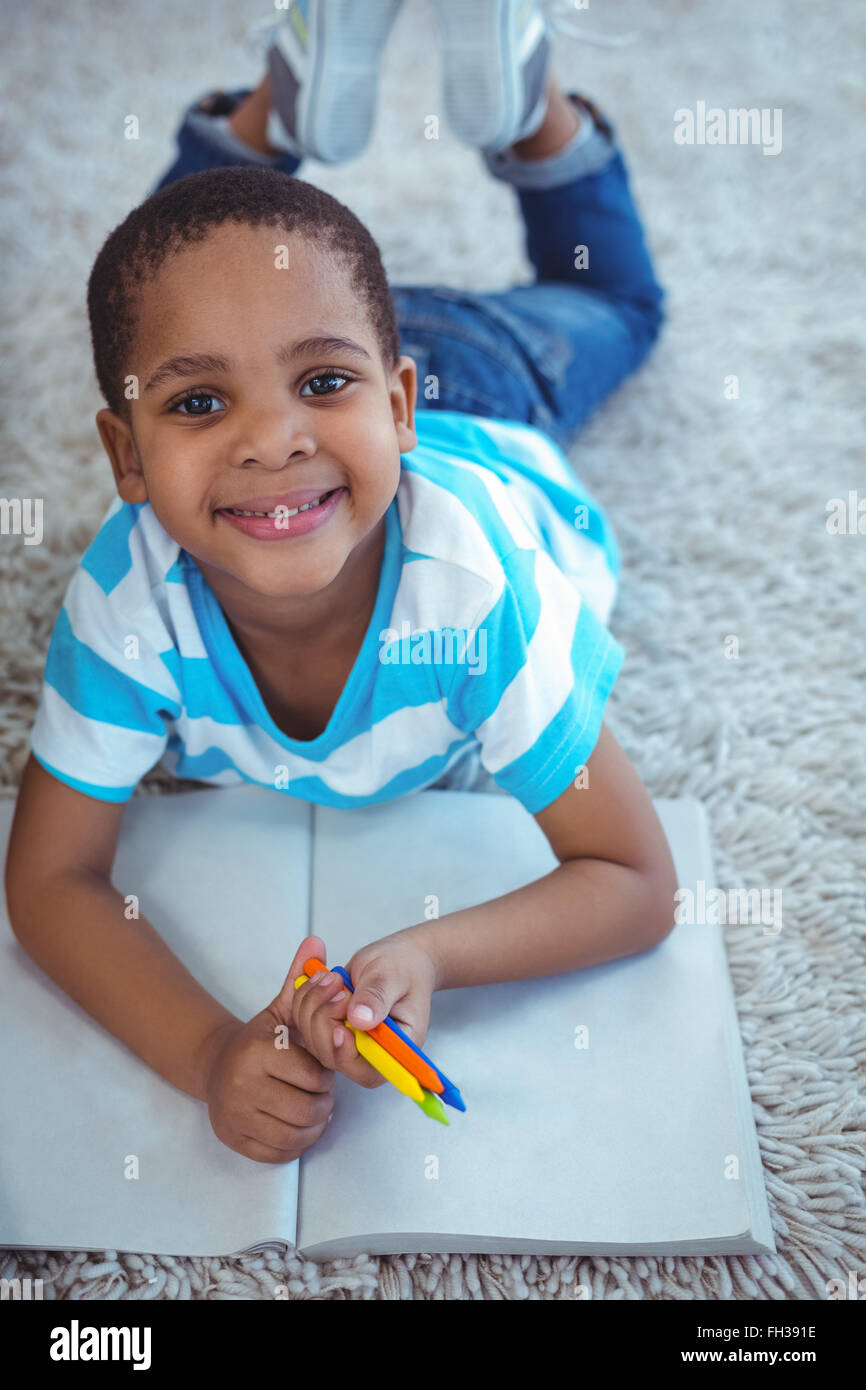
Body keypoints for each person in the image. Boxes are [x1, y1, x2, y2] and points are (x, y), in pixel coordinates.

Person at [5, 0, 676, 1166]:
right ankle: (278, 108)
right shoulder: (124, 606)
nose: (273, 444)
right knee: (173, 276)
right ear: (124, 458)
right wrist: (210, 1051)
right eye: (199, 404)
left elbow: (633, 879)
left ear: (393, 406)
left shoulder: (468, 598)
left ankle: (530, 114)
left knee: (620, 309)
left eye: (319, 388)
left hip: (482, 378)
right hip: (337, 319)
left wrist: (432, 954)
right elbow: (52, 879)